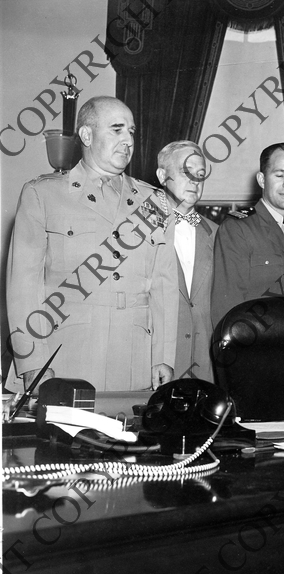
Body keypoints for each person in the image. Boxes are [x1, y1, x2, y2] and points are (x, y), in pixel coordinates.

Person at [5, 96, 178, 392]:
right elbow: (23, 287)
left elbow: (164, 286)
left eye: (131, 132)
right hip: (65, 359)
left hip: (135, 361)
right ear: (86, 135)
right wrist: (32, 361)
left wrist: (163, 356)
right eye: (116, 129)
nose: (128, 140)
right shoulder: (43, 195)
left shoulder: (156, 203)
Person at [211, 143, 284, 326]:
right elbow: (225, 309)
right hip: (252, 347)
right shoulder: (238, 229)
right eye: (280, 175)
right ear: (262, 179)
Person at [156, 141, 217, 383]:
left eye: (200, 174)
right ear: (162, 175)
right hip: (159, 365)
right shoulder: (138, 231)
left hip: (204, 368)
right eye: (186, 171)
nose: (194, 180)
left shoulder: (217, 233)